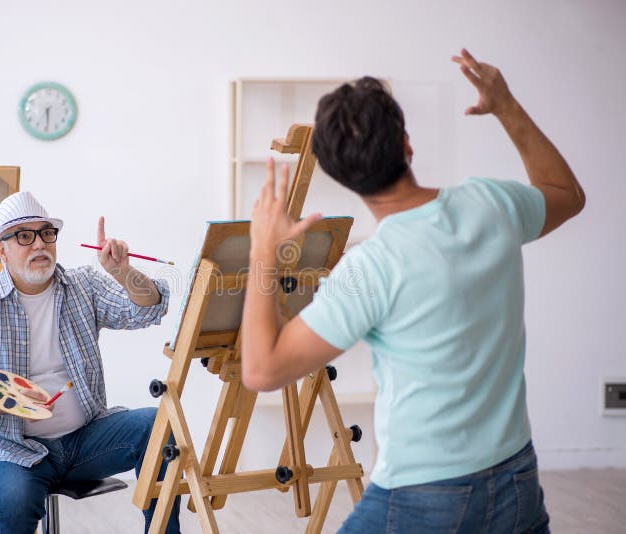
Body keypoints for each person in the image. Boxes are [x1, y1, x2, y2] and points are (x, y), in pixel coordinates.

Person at [241, 49, 584, 533]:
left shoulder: (371, 267)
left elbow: (261, 368)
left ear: (341, 178)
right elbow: (566, 194)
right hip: (515, 478)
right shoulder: (491, 204)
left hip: (424, 495)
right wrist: (504, 104)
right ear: (407, 144)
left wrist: (263, 253)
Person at [0, 191, 181, 534]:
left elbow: (148, 309)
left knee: (158, 425)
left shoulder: (83, 285)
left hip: (85, 440)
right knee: (15, 503)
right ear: (2, 249)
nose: (39, 244)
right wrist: (1, 401)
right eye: (25, 236)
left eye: (46, 233)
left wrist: (124, 273)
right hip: (14, 446)